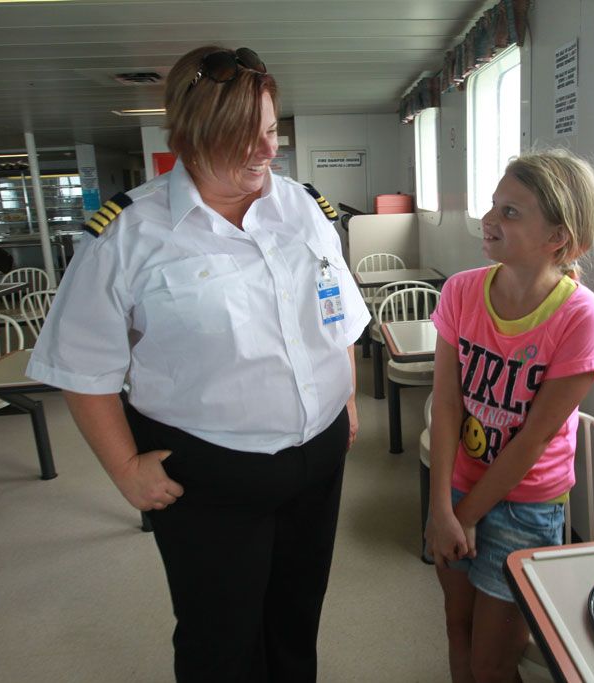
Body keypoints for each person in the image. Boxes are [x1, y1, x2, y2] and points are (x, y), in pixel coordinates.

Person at [26, 45, 370, 682]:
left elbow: (336, 313)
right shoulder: (127, 234)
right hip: (209, 473)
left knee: (297, 616)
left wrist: (345, 399)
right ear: (187, 136)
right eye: (242, 138)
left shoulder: (304, 207)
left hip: (318, 458)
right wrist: (126, 470)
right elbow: (83, 368)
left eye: (270, 131)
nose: (265, 152)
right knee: (221, 637)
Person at [424, 149, 594, 683]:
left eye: (511, 212)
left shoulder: (581, 316)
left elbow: (532, 440)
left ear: (558, 237)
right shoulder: (462, 291)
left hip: (525, 506)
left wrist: (461, 518)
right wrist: (442, 504)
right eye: (493, 205)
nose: (490, 220)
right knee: (455, 628)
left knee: (493, 662)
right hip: (456, 489)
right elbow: (446, 404)